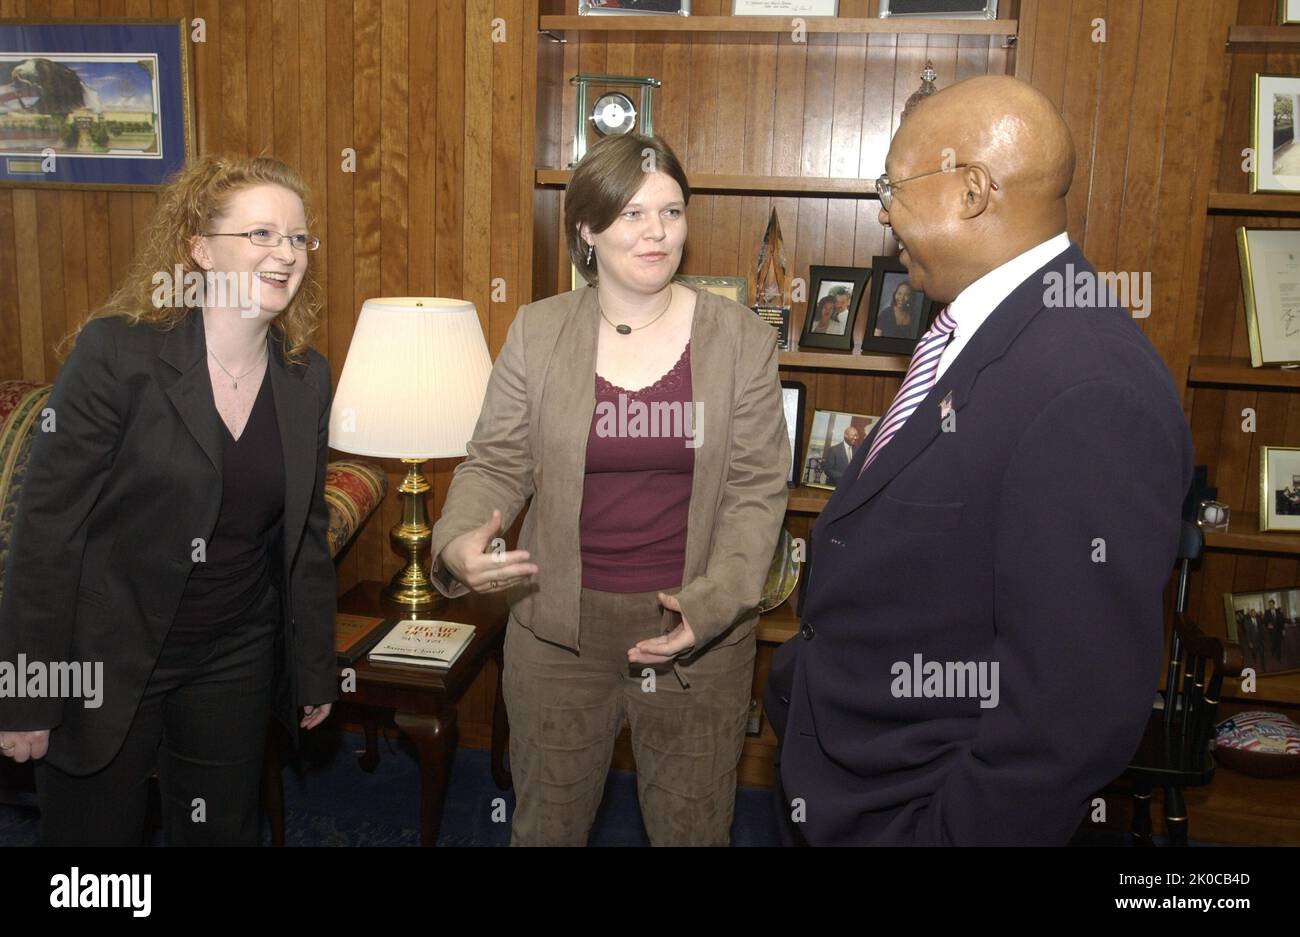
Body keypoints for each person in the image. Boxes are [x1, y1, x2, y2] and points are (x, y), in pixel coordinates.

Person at [765, 75, 1193, 845]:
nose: (884, 210)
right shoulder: (981, 329)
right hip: (847, 771)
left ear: (970, 190)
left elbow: (1072, 712)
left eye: (891, 185)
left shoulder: (1090, 387)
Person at [427, 133, 789, 846]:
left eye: (672, 211)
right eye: (631, 214)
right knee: (547, 830)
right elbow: (495, 462)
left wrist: (712, 606)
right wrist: (461, 538)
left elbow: (756, 491)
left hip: (696, 642)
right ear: (587, 229)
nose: (656, 231)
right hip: (558, 634)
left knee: (693, 830)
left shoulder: (742, 340)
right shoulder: (538, 331)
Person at [0, 155, 337, 845]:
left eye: (298, 237)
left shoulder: (305, 374)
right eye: (262, 234)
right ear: (200, 249)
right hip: (106, 648)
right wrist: (25, 690)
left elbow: (302, 533)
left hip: (234, 651)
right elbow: (45, 531)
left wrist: (312, 668)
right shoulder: (118, 353)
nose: (286, 253)